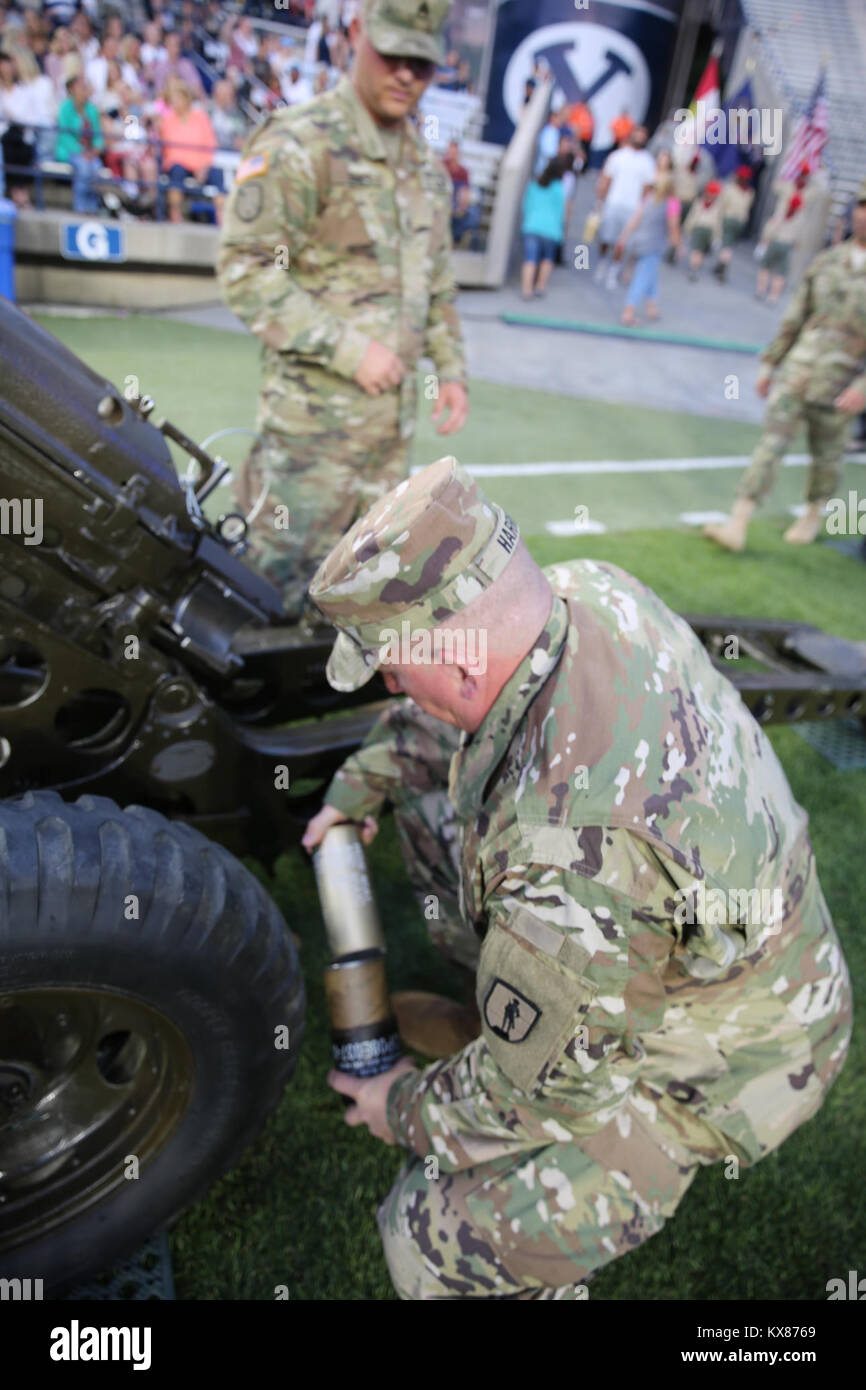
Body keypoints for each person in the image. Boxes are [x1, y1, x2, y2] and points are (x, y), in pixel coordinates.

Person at [301, 454, 852, 1300]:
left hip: (722, 1063)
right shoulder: (585, 590)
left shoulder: (573, 852)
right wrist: (355, 789)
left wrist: (400, 1107)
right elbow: (447, 728)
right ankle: (529, 1016)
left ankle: (545, 1056)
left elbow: (553, 1098)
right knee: (433, 815)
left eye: (392, 665)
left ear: (458, 666)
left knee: (427, 1241)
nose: (387, 682)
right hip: (669, 942)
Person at [216, 0, 468, 624]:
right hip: (311, 436)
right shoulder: (302, 143)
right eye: (392, 55)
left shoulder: (426, 171)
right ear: (356, 35)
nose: (406, 74)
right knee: (269, 578)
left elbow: (436, 281)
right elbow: (246, 270)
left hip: (389, 433)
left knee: (367, 574)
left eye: (422, 62)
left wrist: (452, 367)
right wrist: (353, 352)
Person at [704, 179, 866, 552]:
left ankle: (813, 514)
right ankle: (738, 521)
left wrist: (862, 388)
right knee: (770, 444)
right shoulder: (828, 261)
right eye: (861, 205)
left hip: (842, 383)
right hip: (799, 370)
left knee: (827, 456)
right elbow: (796, 316)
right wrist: (771, 363)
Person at [593, 124, 656, 290]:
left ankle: (613, 271)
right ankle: (602, 261)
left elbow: (647, 189)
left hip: (632, 208)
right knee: (606, 238)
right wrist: (600, 201)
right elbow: (606, 180)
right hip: (613, 203)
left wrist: (642, 210)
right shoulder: (618, 156)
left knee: (622, 242)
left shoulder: (647, 161)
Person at [616, 172, 680, 325]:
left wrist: (624, 236)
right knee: (643, 276)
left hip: (639, 241)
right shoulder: (671, 202)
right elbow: (673, 226)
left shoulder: (649, 198)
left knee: (651, 274)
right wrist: (677, 245)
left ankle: (652, 306)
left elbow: (635, 219)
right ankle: (628, 312)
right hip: (654, 244)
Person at [158, 75, 221, 223]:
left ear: (186, 99)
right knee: (177, 171)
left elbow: (210, 144)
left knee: (218, 175)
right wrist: (193, 164)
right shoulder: (167, 120)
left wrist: (203, 166)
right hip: (180, 164)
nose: (175, 103)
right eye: (173, 99)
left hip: (201, 165)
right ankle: (175, 213)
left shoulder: (200, 117)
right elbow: (171, 150)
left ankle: (221, 216)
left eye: (178, 98)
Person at [755, 166, 814, 305]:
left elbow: (771, 226)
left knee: (766, 267)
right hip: (787, 244)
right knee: (780, 272)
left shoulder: (783, 212)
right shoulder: (799, 216)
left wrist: (764, 240)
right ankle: (773, 296)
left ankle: (761, 290)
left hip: (776, 240)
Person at [520, 153, 571, 300]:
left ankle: (526, 289)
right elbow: (561, 212)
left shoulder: (534, 185)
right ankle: (540, 286)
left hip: (532, 226)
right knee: (547, 259)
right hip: (551, 229)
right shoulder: (559, 188)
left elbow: (526, 206)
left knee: (530, 258)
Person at [55, 72, 108, 213]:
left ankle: (93, 207)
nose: (84, 90)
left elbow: (97, 135)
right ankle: (81, 207)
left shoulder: (91, 110)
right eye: (81, 87)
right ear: (72, 89)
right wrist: (82, 152)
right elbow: (64, 136)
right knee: (83, 167)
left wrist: (96, 149)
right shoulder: (65, 108)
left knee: (96, 166)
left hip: (89, 154)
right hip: (71, 152)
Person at [713, 164, 754, 282]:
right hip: (740, 221)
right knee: (729, 244)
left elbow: (722, 204)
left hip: (729, 219)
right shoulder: (750, 192)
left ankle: (723, 267)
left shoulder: (730, 189)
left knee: (726, 244)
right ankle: (720, 264)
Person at [682, 178, 722, 281]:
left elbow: (692, 217)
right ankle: (695, 268)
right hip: (704, 230)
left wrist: (687, 229)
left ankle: (694, 267)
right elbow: (718, 223)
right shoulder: (708, 204)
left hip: (703, 230)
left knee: (698, 251)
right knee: (699, 251)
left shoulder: (705, 204)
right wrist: (717, 236)